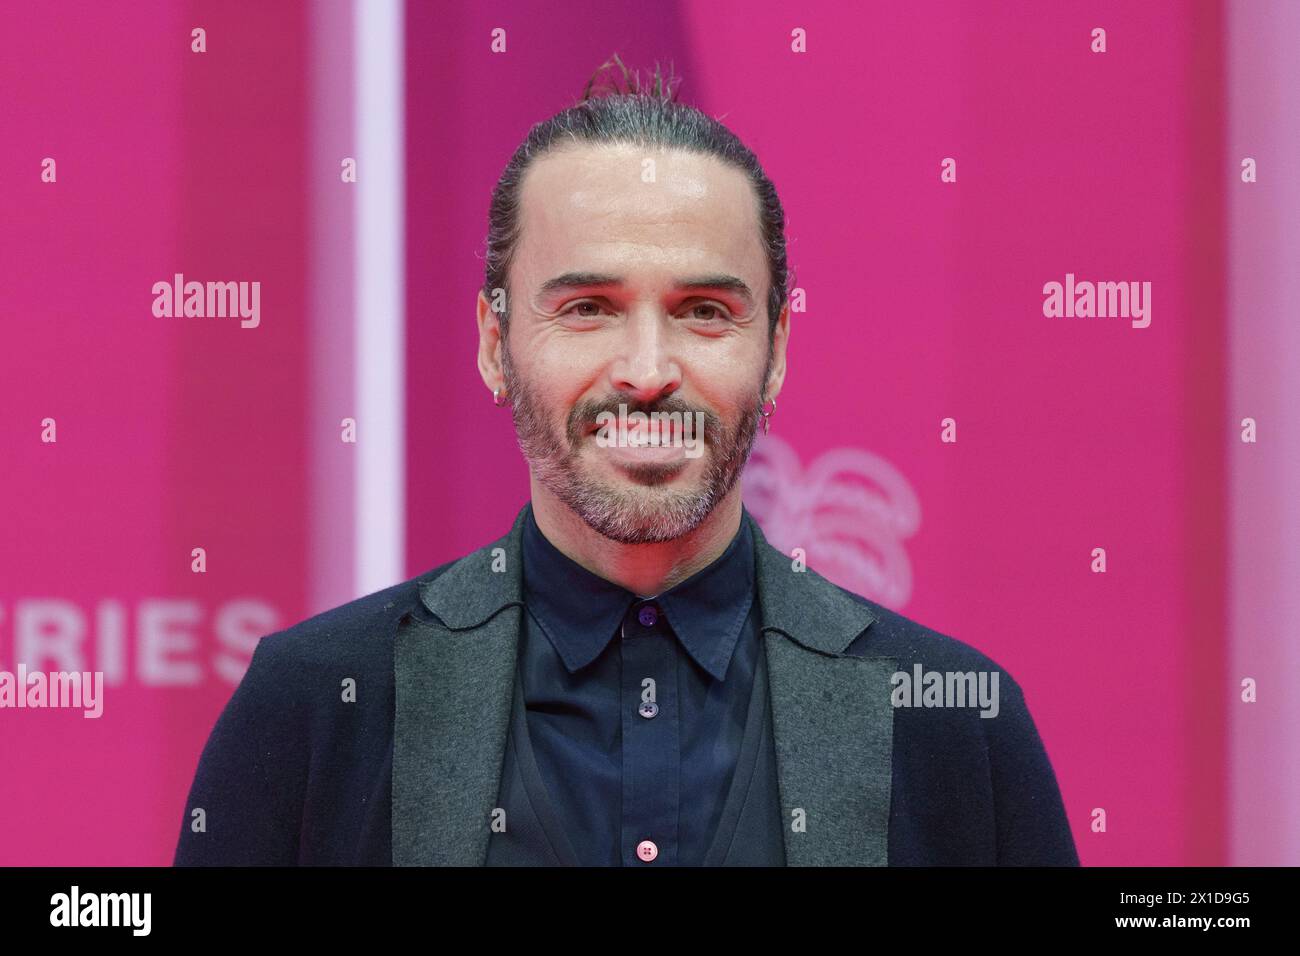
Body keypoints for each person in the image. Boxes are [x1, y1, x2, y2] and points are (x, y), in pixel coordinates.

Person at [174, 55, 1078, 867]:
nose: (647, 374)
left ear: (779, 347)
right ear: (495, 342)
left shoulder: (955, 724)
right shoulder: (315, 707)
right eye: (588, 309)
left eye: (704, 312)